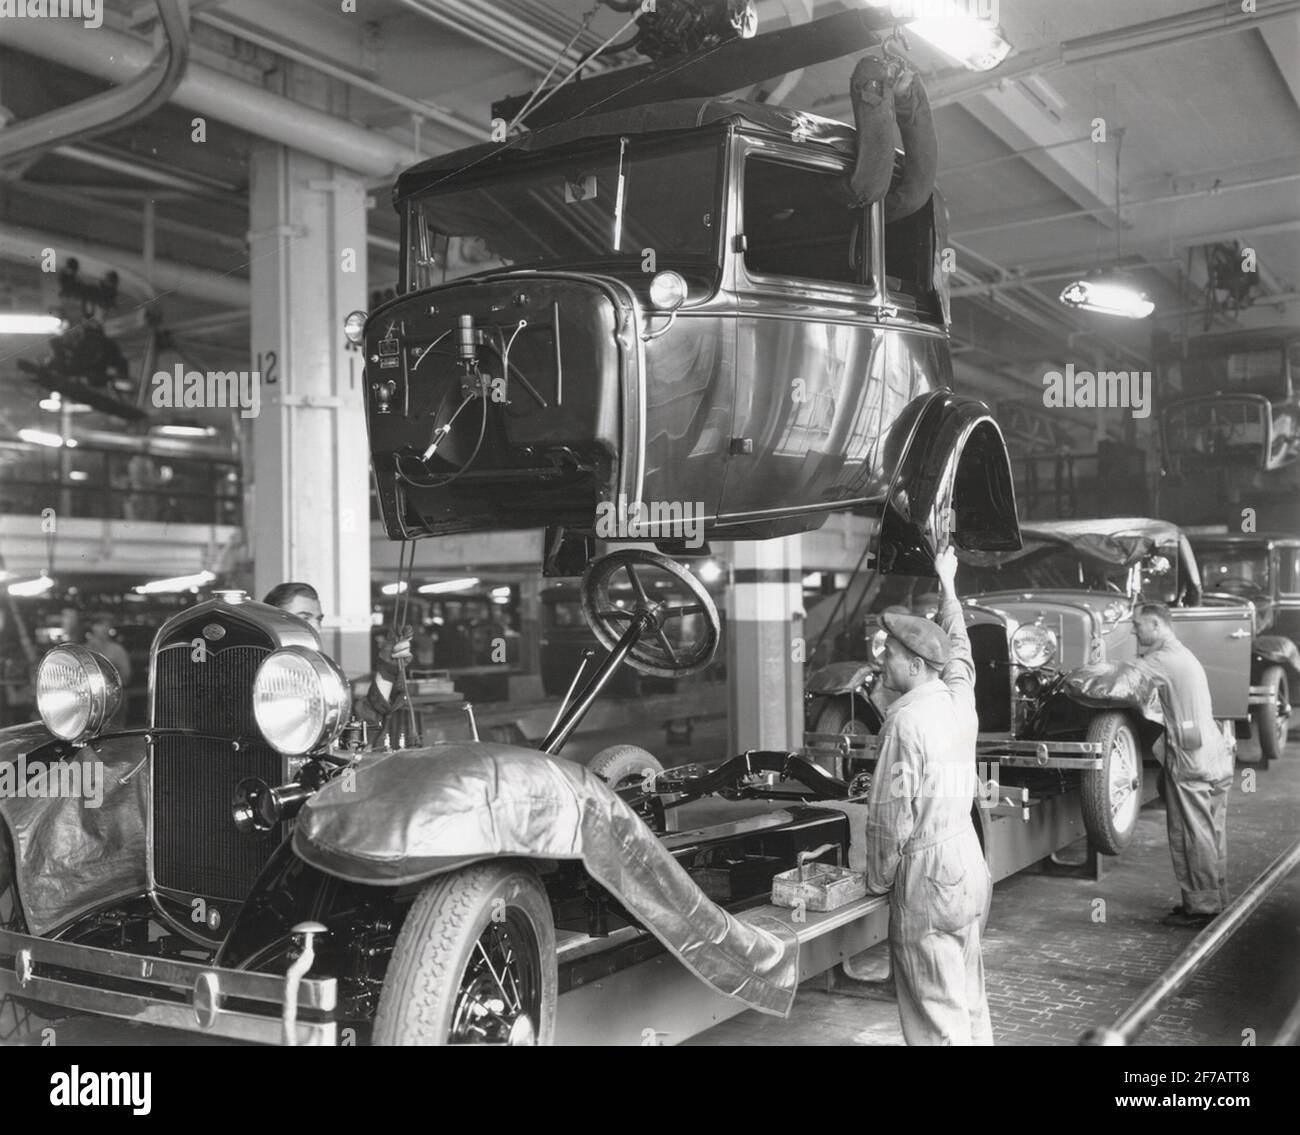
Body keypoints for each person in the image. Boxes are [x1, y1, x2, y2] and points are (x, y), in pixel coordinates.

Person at [863, 546, 993, 1046]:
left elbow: (889, 817)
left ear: (916, 664)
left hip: (929, 876)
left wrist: (877, 882)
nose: (882, 659)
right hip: (968, 862)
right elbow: (958, 647)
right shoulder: (959, 697)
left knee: (936, 1016)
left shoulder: (905, 721)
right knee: (967, 998)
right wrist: (949, 584)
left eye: (889, 653)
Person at [1127, 601, 1232, 928]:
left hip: (1191, 760)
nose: (1133, 629)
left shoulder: (1162, 660)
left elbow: (1118, 681)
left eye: (1138, 624)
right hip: (1214, 753)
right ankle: (1215, 898)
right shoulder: (1183, 654)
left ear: (1156, 626)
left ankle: (1201, 908)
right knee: (1211, 830)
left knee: (1191, 832)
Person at [262, 582, 413, 746]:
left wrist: (387, 671)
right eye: (304, 618)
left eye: (318, 619)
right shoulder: (259, 678)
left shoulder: (320, 677)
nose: (316, 628)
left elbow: (354, 732)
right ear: (273, 623)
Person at [85, 612, 132, 729]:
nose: (102, 629)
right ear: (93, 627)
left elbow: (126, 676)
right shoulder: (85, 649)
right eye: (99, 625)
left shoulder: (117, 650)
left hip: (114, 698)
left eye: (106, 625)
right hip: (89, 700)